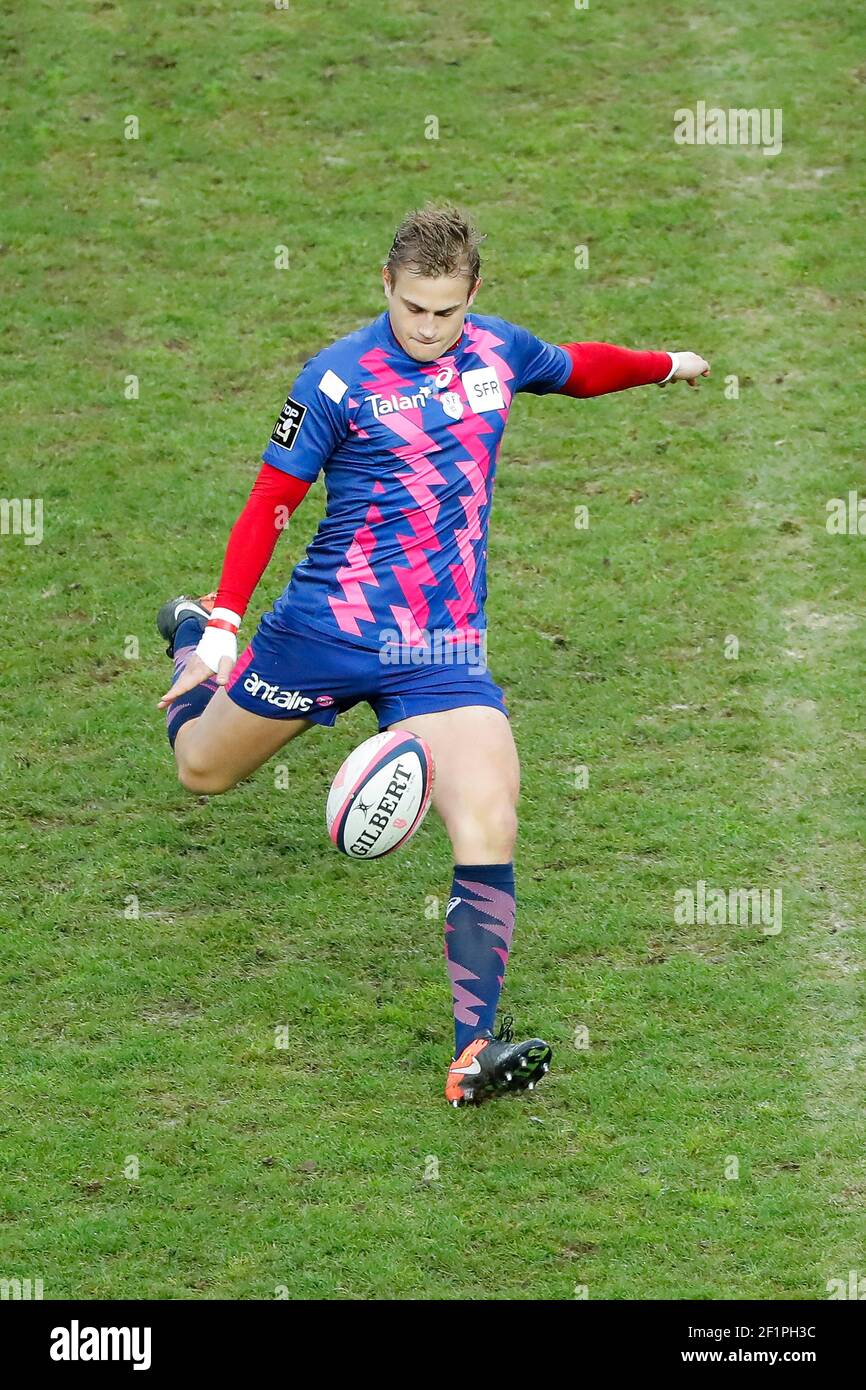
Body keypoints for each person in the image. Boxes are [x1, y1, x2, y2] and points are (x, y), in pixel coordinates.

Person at [156, 204, 709, 1106]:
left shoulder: (498, 351)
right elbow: (270, 499)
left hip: (441, 650)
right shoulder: (335, 380)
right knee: (202, 772)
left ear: (472, 297)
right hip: (324, 634)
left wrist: (666, 367)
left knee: (490, 819)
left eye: (446, 311)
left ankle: (470, 1055)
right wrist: (221, 621)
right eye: (414, 308)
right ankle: (184, 645)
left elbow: (576, 369)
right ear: (387, 287)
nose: (429, 328)